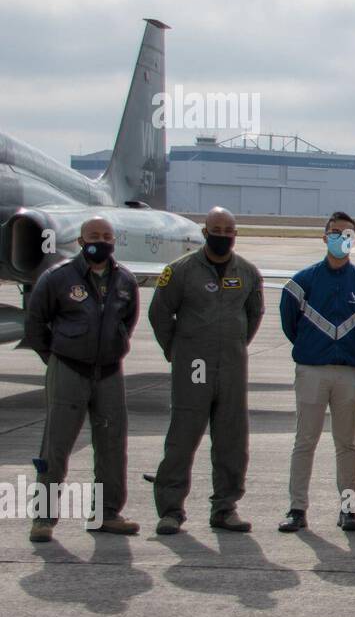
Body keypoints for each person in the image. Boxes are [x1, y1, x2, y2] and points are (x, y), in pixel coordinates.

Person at [23, 217, 141, 541]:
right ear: (80, 240)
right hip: (69, 371)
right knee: (56, 447)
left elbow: (127, 322)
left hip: (109, 373)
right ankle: (43, 519)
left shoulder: (124, 281)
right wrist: (56, 359)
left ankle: (106, 514)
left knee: (112, 447)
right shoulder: (58, 278)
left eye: (106, 236)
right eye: (94, 236)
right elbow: (35, 323)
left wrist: (111, 349)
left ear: (114, 241)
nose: (100, 241)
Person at [149, 207, 265, 534]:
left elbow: (253, 315)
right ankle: (171, 509)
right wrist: (177, 351)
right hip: (193, 367)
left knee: (232, 440)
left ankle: (225, 507)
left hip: (231, 367)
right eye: (216, 230)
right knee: (182, 438)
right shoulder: (181, 271)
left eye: (228, 231)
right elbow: (160, 315)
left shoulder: (247, 273)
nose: (222, 236)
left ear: (235, 235)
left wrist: (233, 345)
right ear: (204, 232)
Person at [278, 212, 355, 533]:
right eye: (335, 233)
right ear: (324, 237)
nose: (340, 238)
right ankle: (297, 508)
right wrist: (313, 349)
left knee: (346, 444)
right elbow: (290, 324)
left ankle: (348, 509)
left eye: (347, 234)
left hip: (350, 373)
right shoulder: (301, 282)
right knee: (305, 440)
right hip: (312, 370)